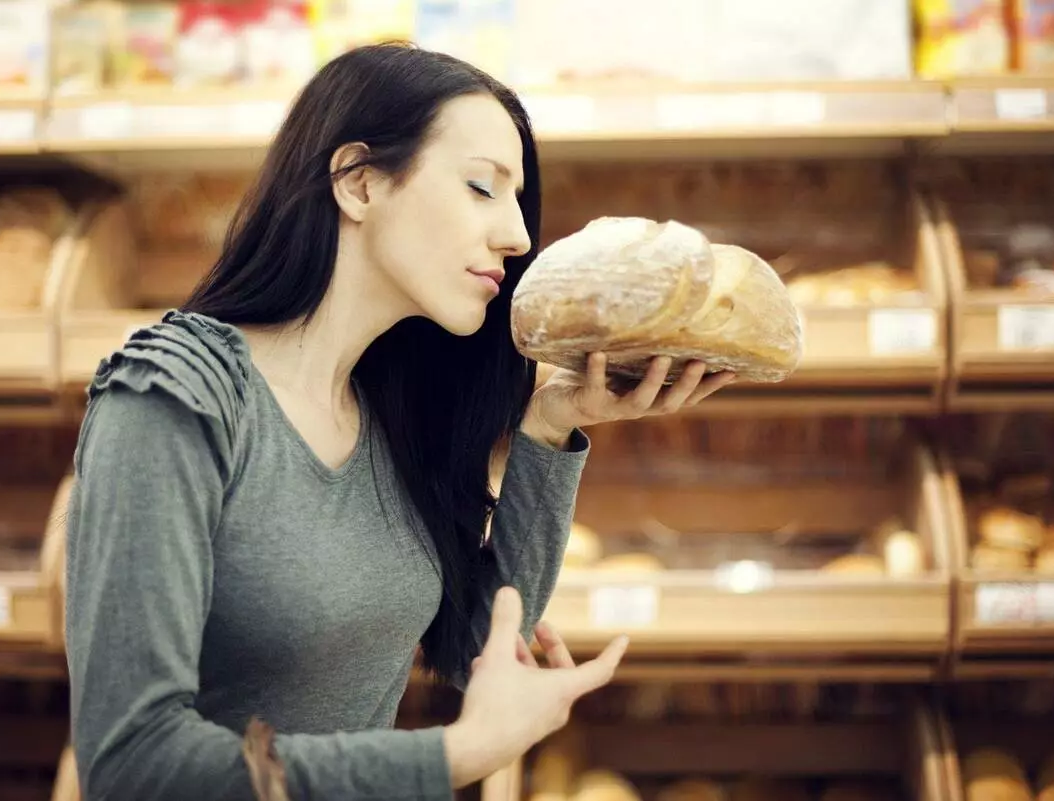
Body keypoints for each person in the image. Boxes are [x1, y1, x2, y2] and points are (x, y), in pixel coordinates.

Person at [63, 42, 735, 800]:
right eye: (482, 187)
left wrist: (550, 425)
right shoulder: (177, 393)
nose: (517, 235)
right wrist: (450, 756)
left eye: (518, 200)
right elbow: (133, 763)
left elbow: (473, 646)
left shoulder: (382, 409)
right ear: (357, 182)